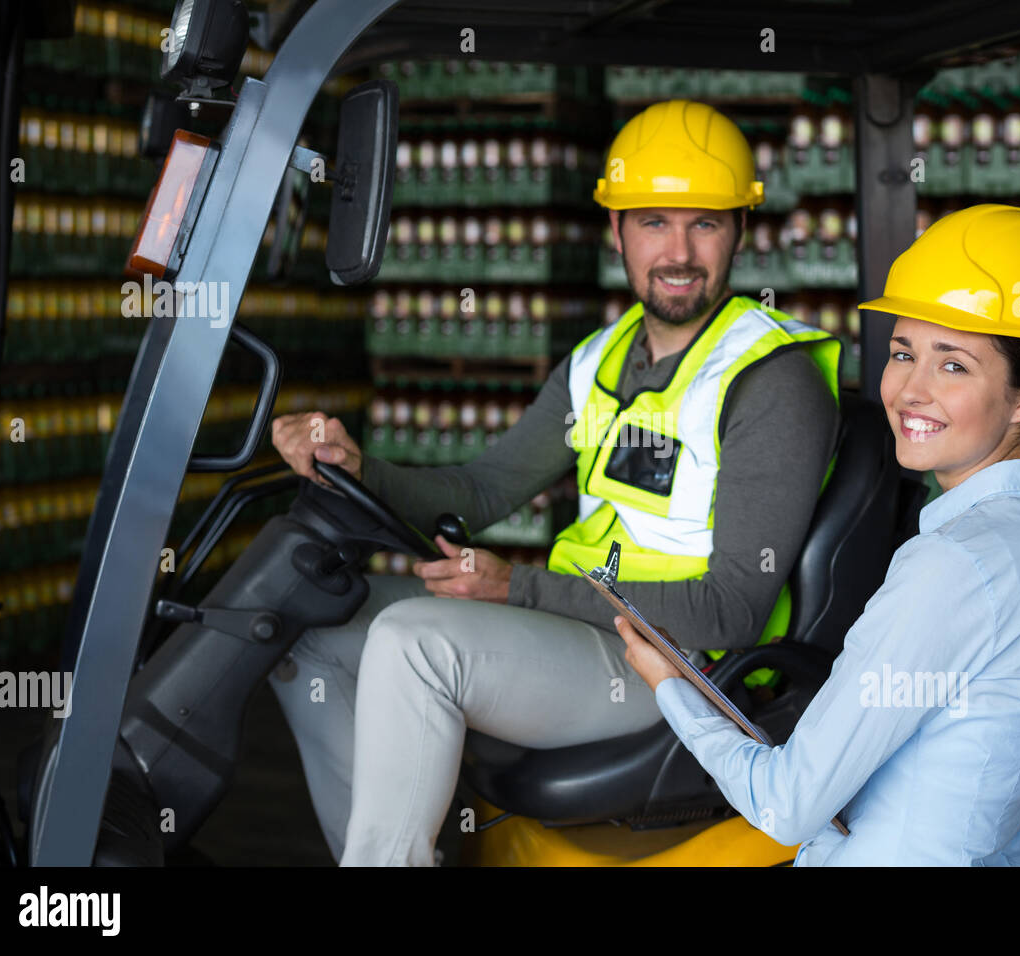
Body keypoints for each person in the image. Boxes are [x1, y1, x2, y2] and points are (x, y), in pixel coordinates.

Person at [266, 99, 844, 865]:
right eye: (652, 223)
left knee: (414, 641)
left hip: (673, 664)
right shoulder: (598, 363)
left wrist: (521, 587)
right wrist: (355, 467)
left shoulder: (771, 380)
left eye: (704, 223)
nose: (679, 251)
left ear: (740, 229)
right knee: (307, 623)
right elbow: (479, 491)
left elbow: (733, 611)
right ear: (616, 232)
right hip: (585, 628)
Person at [617, 203, 1020, 866]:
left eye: (954, 366)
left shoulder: (950, 565)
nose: (909, 390)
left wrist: (671, 685)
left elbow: (786, 806)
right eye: (904, 353)